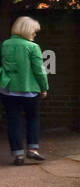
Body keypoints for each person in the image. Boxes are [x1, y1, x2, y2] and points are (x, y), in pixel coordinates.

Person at [1, 16, 50, 165]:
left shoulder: (5, 44)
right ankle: (32, 150)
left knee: (14, 121)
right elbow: (39, 70)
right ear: (28, 30)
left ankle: (18, 155)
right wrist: (44, 87)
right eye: (34, 31)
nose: (35, 34)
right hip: (29, 89)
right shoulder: (32, 47)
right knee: (32, 118)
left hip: (8, 89)